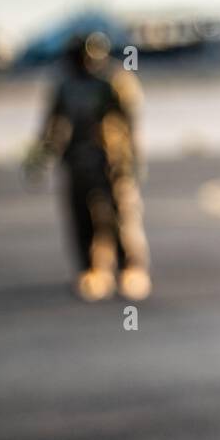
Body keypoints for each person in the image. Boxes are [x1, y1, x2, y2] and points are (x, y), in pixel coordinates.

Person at [26, 31, 151, 302]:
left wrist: (133, 159)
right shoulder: (65, 84)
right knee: (81, 218)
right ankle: (91, 271)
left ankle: (131, 270)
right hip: (76, 162)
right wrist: (40, 157)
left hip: (111, 162)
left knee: (120, 216)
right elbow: (53, 124)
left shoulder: (113, 81)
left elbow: (130, 123)